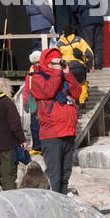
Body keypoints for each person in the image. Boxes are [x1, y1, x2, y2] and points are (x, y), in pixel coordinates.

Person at [29, 47, 81, 194]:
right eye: (54, 61)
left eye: (60, 60)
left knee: (65, 174)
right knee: (55, 176)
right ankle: (54, 204)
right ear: (46, 63)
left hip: (68, 133)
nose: (58, 64)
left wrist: (67, 73)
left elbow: (77, 92)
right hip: (52, 135)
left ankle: (63, 205)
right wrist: (58, 72)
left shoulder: (62, 77)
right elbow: (49, 91)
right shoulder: (38, 78)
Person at [20, 48, 43, 154]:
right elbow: (26, 89)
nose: (37, 64)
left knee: (44, 125)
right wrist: (25, 102)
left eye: (38, 62)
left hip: (44, 101)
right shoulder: (31, 72)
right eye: (35, 63)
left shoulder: (46, 70)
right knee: (34, 126)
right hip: (33, 102)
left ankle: (45, 147)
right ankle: (37, 147)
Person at [79, 0, 106, 69]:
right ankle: (98, 66)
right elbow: (102, 6)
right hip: (98, 19)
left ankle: (89, 67)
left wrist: (81, 8)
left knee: (88, 44)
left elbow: (73, 7)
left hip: (87, 21)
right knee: (98, 45)